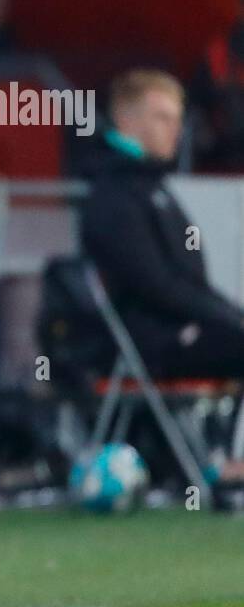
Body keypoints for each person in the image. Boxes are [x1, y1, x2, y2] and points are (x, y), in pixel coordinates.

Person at [81, 70, 244, 379]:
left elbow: (188, 282)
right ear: (127, 122)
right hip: (156, 343)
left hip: (183, 330)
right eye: (162, 118)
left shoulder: (152, 188)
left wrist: (232, 316)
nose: (176, 130)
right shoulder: (115, 197)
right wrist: (231, 319)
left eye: (177, 120)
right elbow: (157, 285)